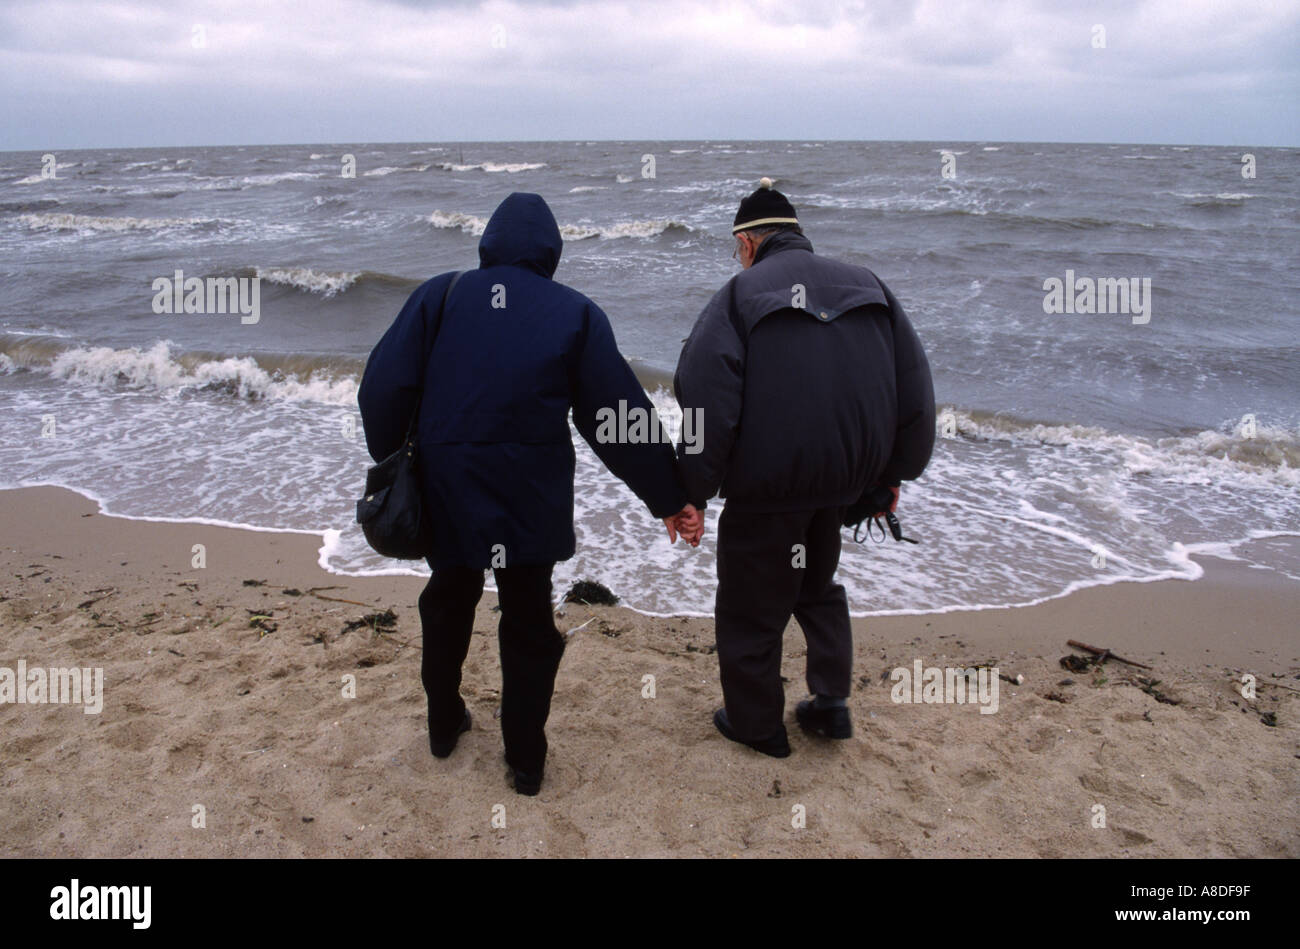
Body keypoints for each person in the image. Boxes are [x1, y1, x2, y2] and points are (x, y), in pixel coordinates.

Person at [359, 192, 701, 795]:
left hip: (445, 486)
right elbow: (616, 419)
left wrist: (395, 459)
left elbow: (382, 388)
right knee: (527, 619)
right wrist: (668, 496)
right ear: (550, 252)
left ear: (488, 243)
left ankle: (443, 722)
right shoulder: (574, 313)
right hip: (528, 496)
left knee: (448, 598)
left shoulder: (439, 295)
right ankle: (525, 760)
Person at [674, 178, 935, 757]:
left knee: (749, 607)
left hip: (767, 490)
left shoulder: (738, 295)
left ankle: (756, 726)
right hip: (842, 485)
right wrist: (893, 476)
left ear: (748, 242)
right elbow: (915, 389)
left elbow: (707, 399)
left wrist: (692, 489)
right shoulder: (870, 285)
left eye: (737, 248)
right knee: (815, 585)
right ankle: (831, 702)